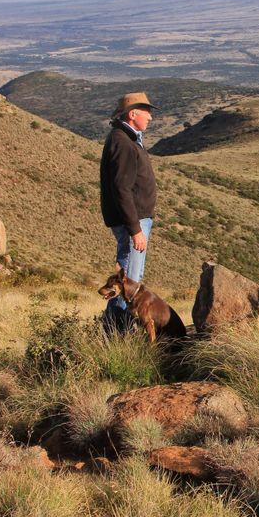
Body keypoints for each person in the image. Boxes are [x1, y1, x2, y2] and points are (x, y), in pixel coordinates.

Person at [100, 91, 158, 334]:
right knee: (129, 282)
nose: (150, 118)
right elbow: (122, 189)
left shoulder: (127, 138)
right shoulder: (123, 142)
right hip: (131, 222)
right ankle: (116, 334)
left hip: (134, 219)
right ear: (133, 114)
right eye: (147, 112)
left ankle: (116, 331)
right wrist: (135, 229)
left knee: (129, 278)